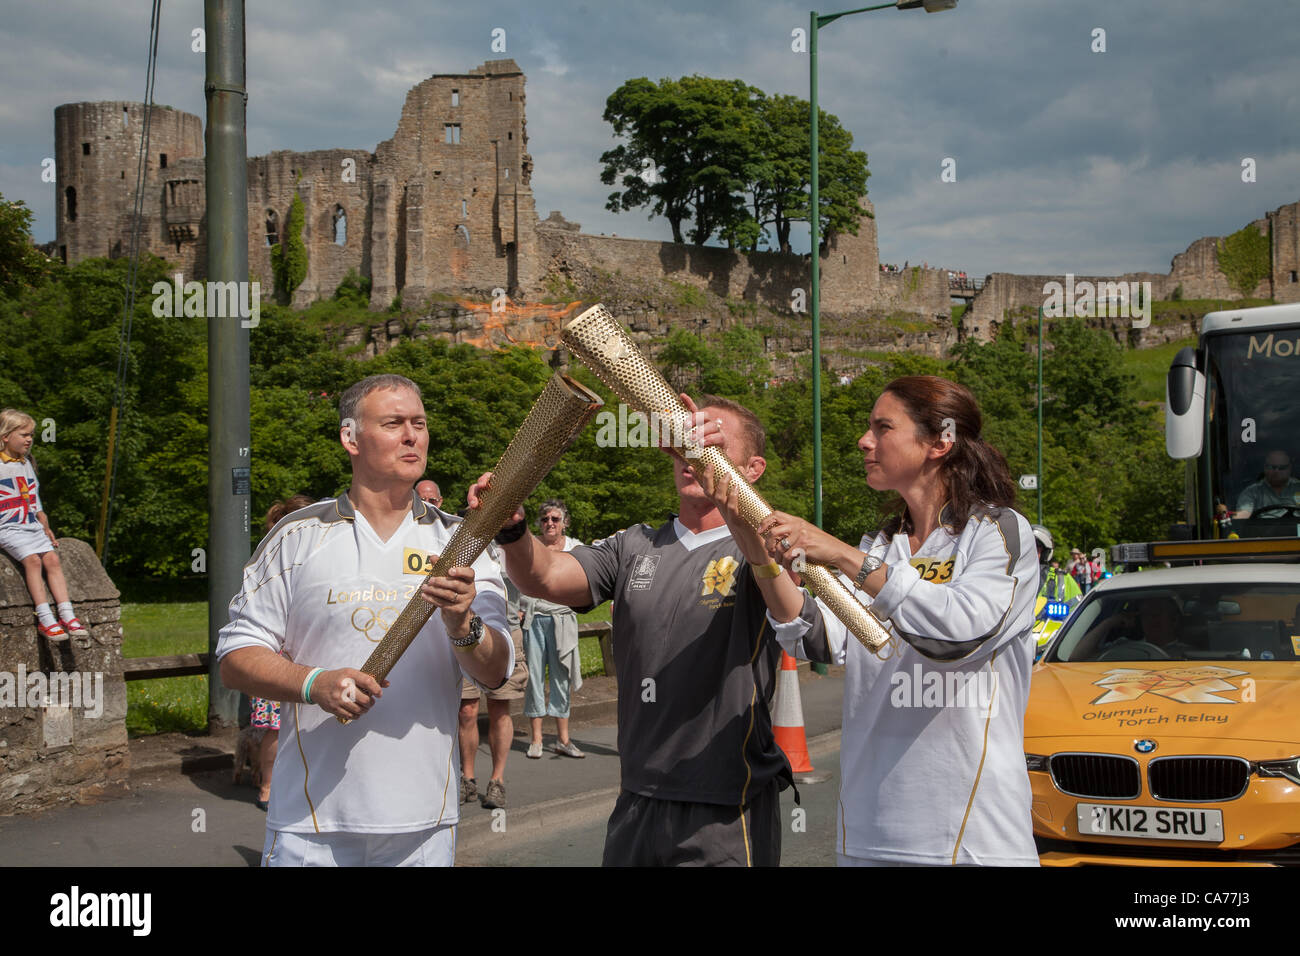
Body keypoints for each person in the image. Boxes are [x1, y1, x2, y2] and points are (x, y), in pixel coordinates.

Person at [471, 394, 825, 866]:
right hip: (638, 796)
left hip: (726, 805)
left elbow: (799, 619)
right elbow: (546, 576)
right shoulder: (633, 544)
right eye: (685, 443)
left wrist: (740, 506)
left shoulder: (770, 548)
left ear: (753, 467)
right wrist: (511, 529)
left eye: (711, 442)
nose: (692, 456)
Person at [216, 374, 513, 867]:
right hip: (309, 825)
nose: (411, 435)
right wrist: (315, 684)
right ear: (350, 438)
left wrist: (464, 627)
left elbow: (497, 671)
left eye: (418, 423)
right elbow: (235, 659)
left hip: (422, 824)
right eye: (393, 423)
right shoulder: (298, 537)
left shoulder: (462, 542)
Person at [744, 375, 1039, 866]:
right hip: (869, 832)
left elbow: (961, 634)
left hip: (971, 839)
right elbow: (819, 637)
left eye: (883, 427)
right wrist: (752, 538)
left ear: (940, 442)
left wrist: (841, 555)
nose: (865, 441)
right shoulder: (881, 545)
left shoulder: (996, 532)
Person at [458, 504, 530, 811]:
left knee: (500, 708)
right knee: (467, 712)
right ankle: (468, 779)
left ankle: (497, 781)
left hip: (506, 633)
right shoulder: (460, 548)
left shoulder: (507, 544)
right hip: (464, 636)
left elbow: (530, 576)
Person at [247, 494, 316, 811]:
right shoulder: (268, 560)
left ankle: (304, 783)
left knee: (309, 724)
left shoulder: (320, 555)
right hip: (275, 658)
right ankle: (268, 785)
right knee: (274, 726)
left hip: (311, 657)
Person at [0, 408, 88, 642]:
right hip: (7, 527)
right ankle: (46, 618)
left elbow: (34, 497)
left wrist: (44, 524)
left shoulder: (27, 463)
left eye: (31, 435)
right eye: (24, 435)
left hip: (30, 524)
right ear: (5, 436)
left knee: (52, 559)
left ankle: (67, 615)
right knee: (33, 560)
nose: (29, 439)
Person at [520, 499, 584, 759]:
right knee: (534, 677)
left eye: (555, 519)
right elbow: (511, 576)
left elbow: (588, 579)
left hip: (563, 619)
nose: (550, 523)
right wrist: (518, 607)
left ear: (564, 522)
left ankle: (563, 739)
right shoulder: (531, 546)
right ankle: (536, 739)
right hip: (534, 619)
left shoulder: (576, 547)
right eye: (545, 519)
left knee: (561, 678)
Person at [1030, 525, 1080, 647]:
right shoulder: (1005, 577)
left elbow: (1080, 617)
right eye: (1027, 546)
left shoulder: (1062, 579)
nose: (1030, 551)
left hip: (1052, 646)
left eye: (1036, 547)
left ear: (1045, 552)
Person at [1234, 450, 1300, 519]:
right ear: (1265, 468)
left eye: (1282, 468)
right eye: (1272, 467)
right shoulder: (1251, 492)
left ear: (1290, 468)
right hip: (1263, 529)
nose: (1276, 471)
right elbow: (1242, 517)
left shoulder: (1298, 487)